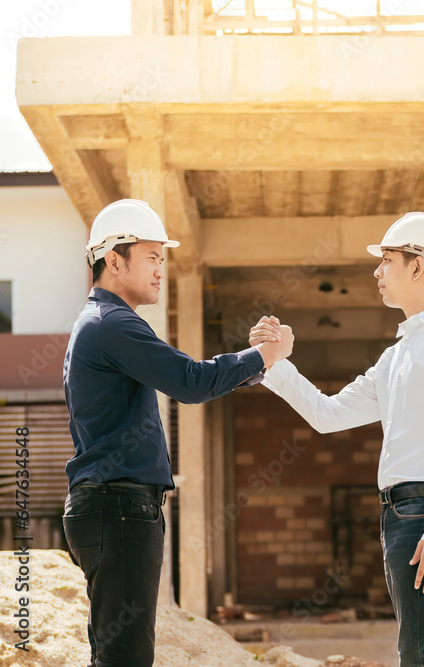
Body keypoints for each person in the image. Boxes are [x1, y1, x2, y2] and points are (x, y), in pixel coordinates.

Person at [249, 212, 424, 667]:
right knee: (420, 647)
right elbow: (329, 414)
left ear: (419, 265)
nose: (377, 272)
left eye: (387, 260)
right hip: (402, 514)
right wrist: (275, 363)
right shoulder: (397, 355)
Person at [62, 199, 293, 667]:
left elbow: (192, 377)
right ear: (114, 260)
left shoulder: (103, 323)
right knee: (125, 659)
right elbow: (191, 381)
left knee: (116, 656)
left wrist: (250, 366)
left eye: (162, 259)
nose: (159, 269)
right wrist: (265, 357)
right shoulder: (113, 325)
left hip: (114, 508)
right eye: (151, 257)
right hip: (120, 510)